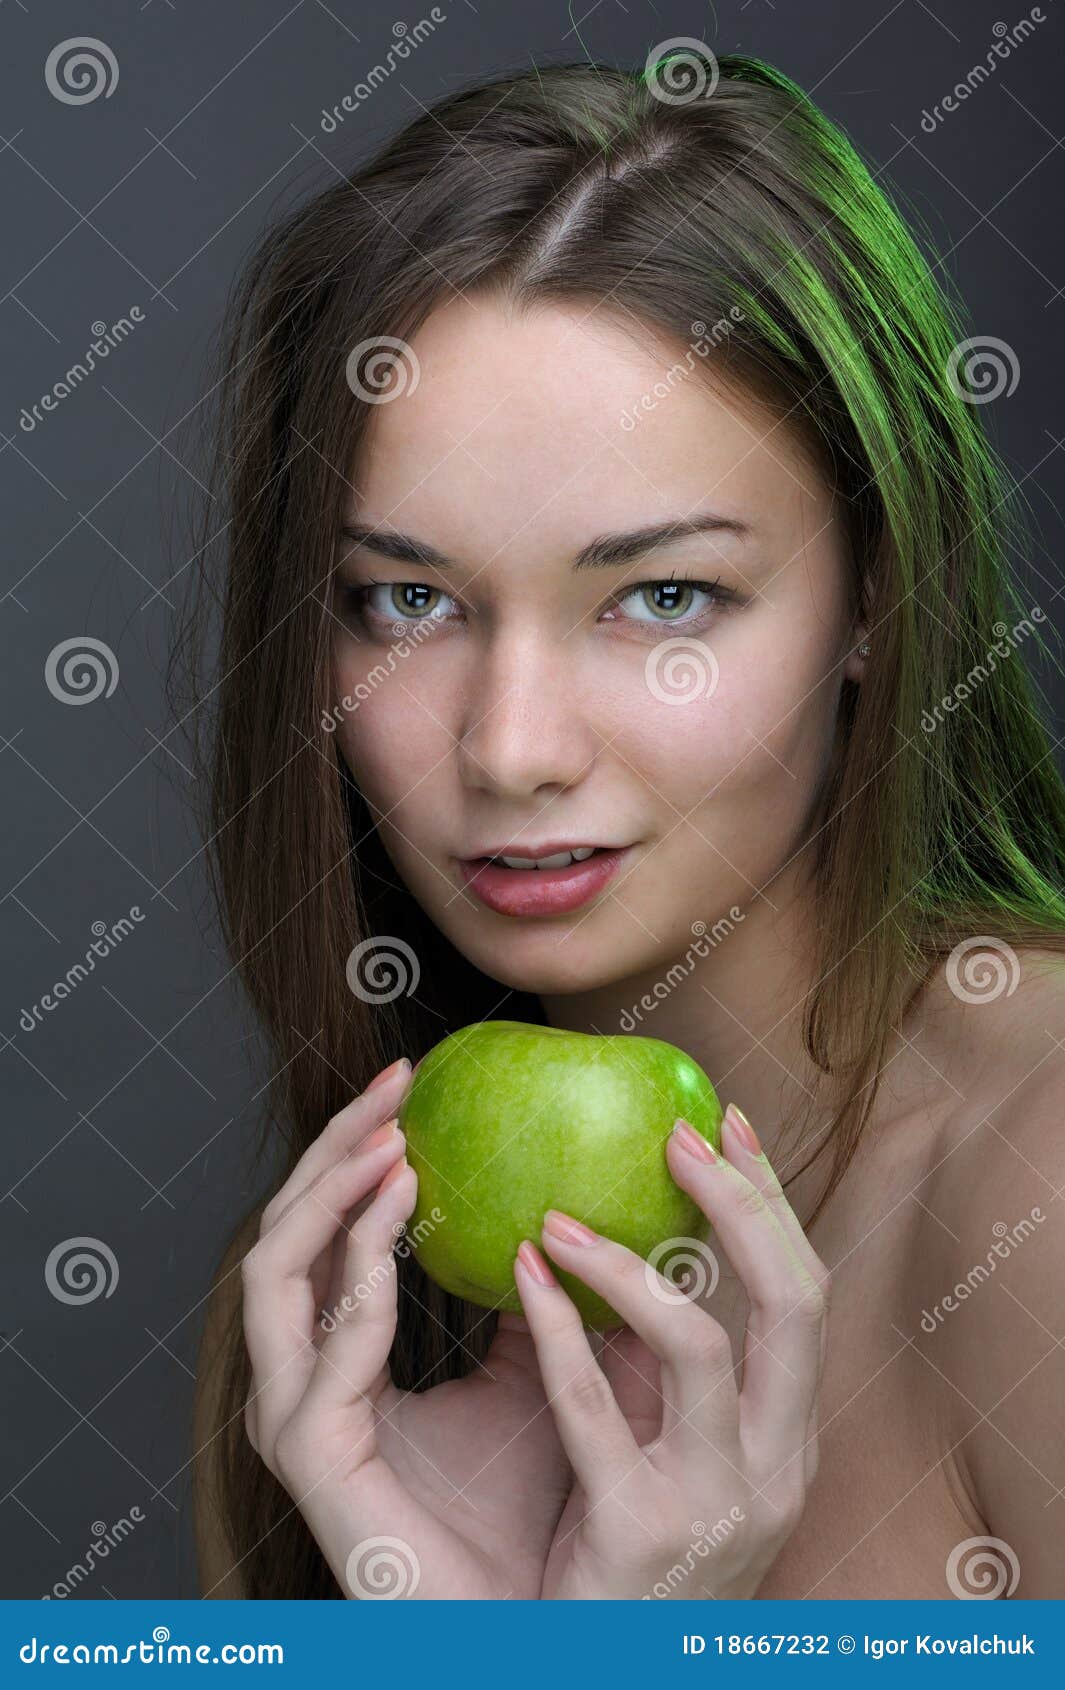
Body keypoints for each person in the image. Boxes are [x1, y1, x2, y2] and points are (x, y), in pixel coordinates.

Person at [173, 52, 1065, 1600]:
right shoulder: (358, 1291)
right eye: (408, 599)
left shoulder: (1035, 1182)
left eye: (661, 596)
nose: (510, 747)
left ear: (873, 595)